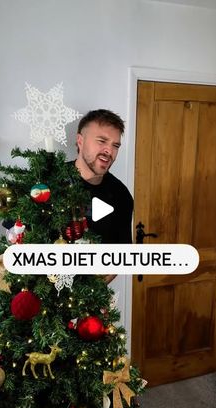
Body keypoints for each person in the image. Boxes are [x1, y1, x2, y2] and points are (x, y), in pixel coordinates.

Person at [74, 109, 133, 284]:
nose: (109, 151)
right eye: (102, 141)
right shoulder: (48, 183)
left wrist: (87, 294)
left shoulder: (121, 196)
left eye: (115, 146)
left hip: (88, 302)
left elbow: (120, 258)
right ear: (80, 141)